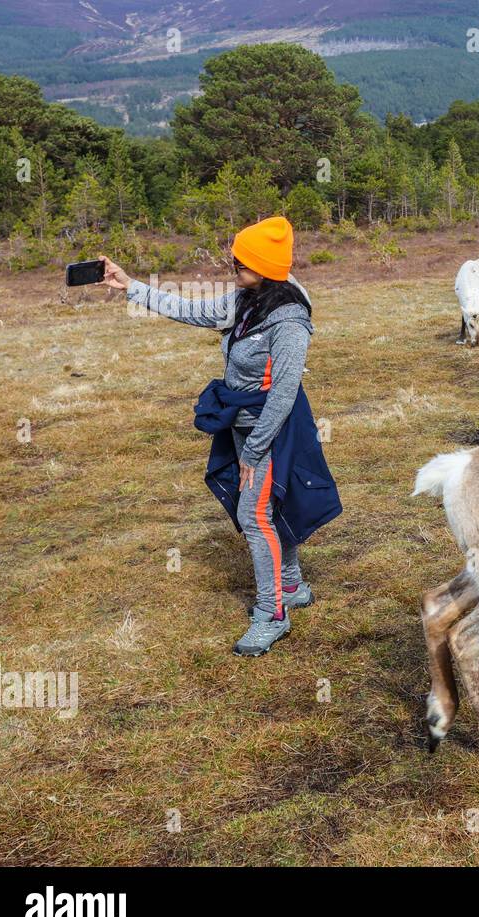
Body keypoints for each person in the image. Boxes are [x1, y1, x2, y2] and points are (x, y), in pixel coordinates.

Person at [99, 216, 341, 657]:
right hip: (243, 420)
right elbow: (195, 311)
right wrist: (130, 285)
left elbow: (284, 392)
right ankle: (291, 583)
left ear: (265, 267)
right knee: (267, 506)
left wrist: (253, 449)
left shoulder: (288, 320)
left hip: (272, 427)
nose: (232, 265)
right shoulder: (249, 299)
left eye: (240, 260)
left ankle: (272, 613)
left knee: (254, 514)